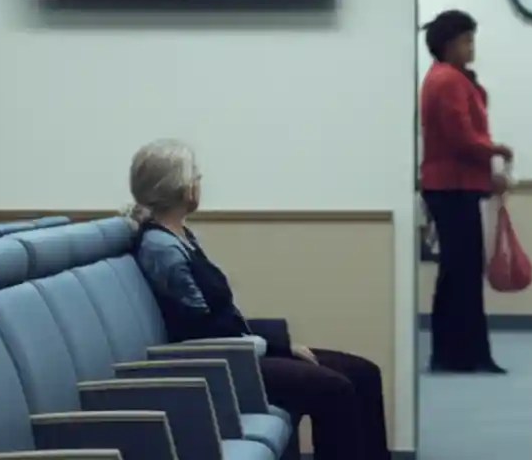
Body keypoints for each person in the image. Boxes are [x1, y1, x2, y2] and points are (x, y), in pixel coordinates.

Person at [128, 139, 390, 460]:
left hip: (237, 351)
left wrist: (272, 343)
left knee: (364, 373)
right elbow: (203, 330)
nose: (199, 182)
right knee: (334, 389)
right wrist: (278, 346)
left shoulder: (181, 236)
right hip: (221, 366)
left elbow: (218, 318)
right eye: (194, 175)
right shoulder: (161, 247)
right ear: (177, 186)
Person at [419, 9, 513, 374]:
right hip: (452, 186)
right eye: (466, 40)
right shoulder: (448, 80)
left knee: (457, 273)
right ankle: (466, 354)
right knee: (463, 274)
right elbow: (462, 137)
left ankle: (455, 353)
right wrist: (497, 151)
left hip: (452, 185)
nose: (472, 47)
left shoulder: (445, 78)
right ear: (448, 43)